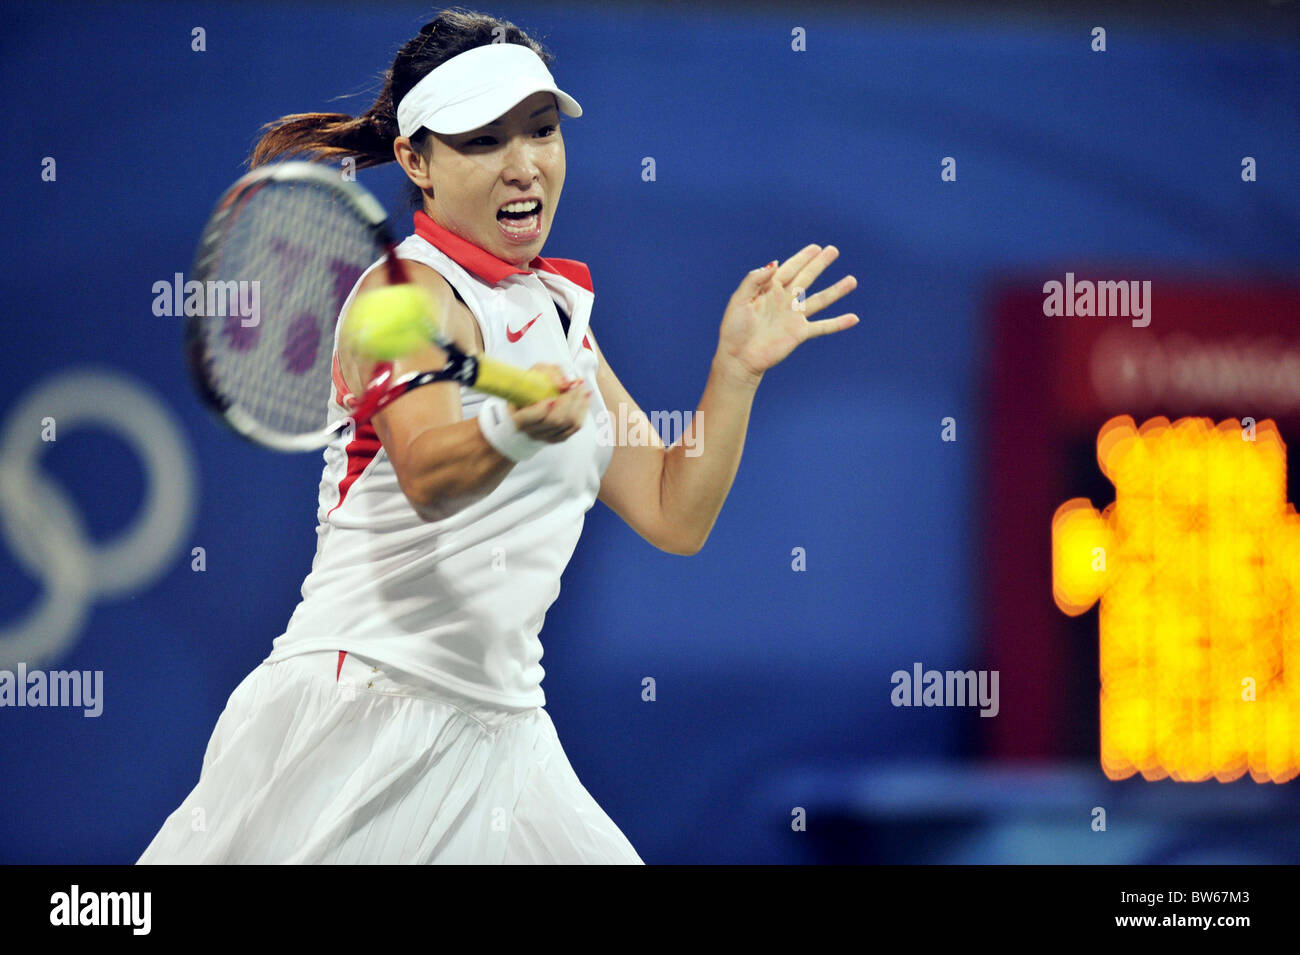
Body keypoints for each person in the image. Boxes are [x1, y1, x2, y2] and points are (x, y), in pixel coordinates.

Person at [137, 8, 858, 865]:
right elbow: (429, 469)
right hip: (368, 713)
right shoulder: (398, 298)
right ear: (416, 161)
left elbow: (675, 511)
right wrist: (515, 431)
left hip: (510, 737)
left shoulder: (560, 314)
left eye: (542, 131)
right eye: (483, 140)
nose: (525, 165)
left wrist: (734, 372)